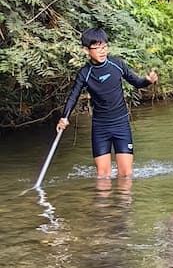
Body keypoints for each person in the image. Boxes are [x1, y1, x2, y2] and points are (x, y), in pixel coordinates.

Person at [56, 28, 158, 180]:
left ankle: (123, 204)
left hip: (121, 124)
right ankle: (104, 203)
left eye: (104, 47)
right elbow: (73, 96)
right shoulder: (85, 73)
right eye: (97, 48)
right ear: (86, 50)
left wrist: (147, 81)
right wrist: (64, 117)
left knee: (126, 175)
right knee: (103, 176)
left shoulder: (117, 64)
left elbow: (136, 82)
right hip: (100, 127)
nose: (103, 51)